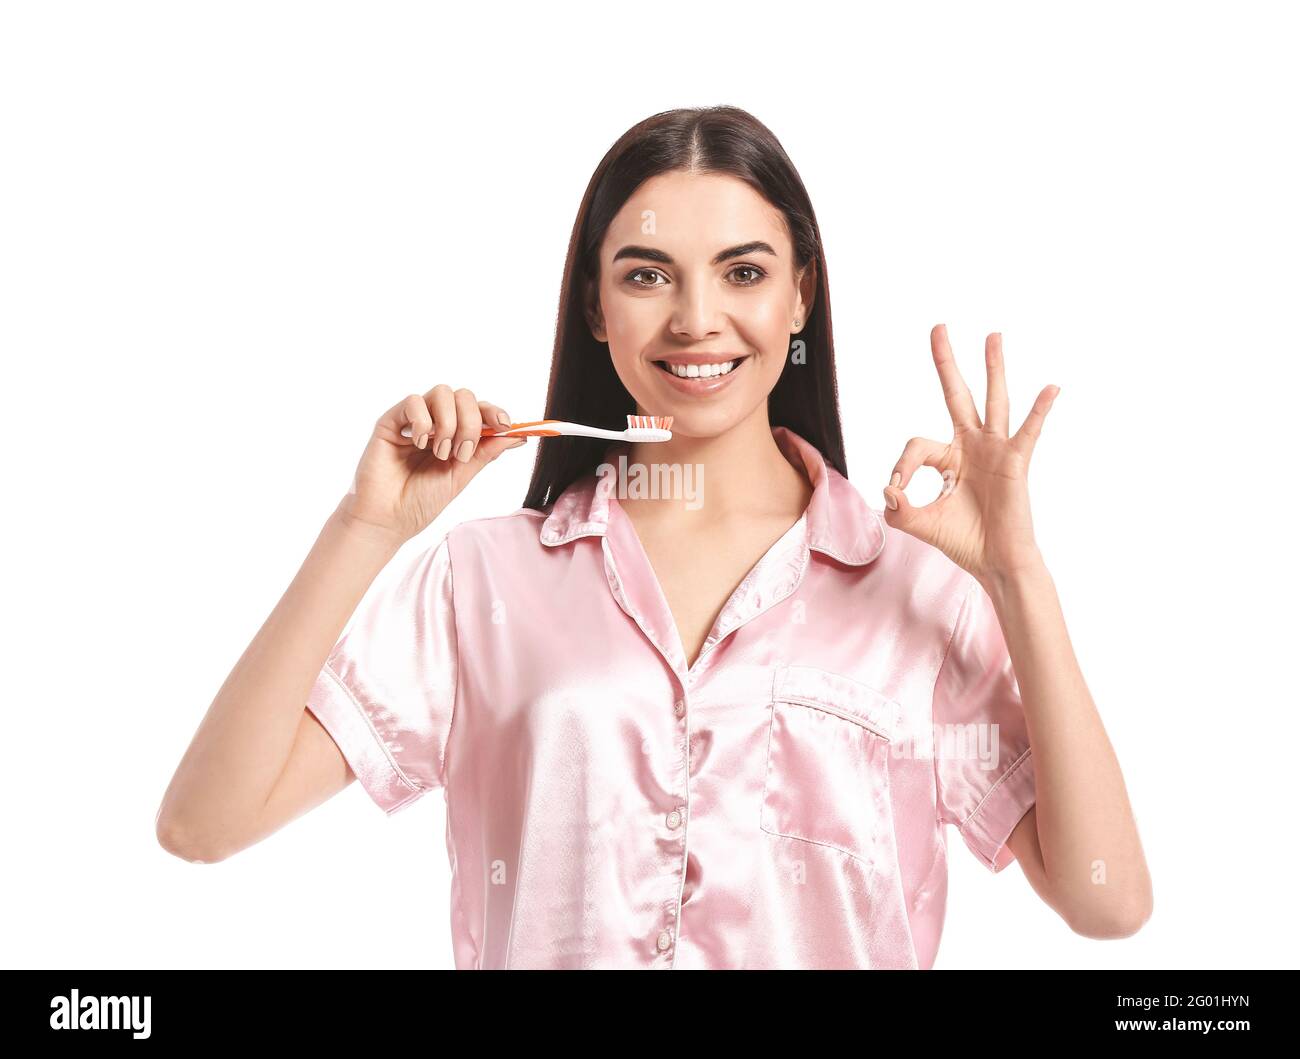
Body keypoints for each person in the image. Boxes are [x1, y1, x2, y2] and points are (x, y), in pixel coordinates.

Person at [156, 105, 1152, 969]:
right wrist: (364, 527)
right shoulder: (481, 583)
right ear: (595, 303)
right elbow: (204, 824)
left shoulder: (917, 595)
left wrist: (1015, 576)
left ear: (799, 293)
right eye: (647, 275)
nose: (696, 318)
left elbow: (1105, 899)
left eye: (743, 271)